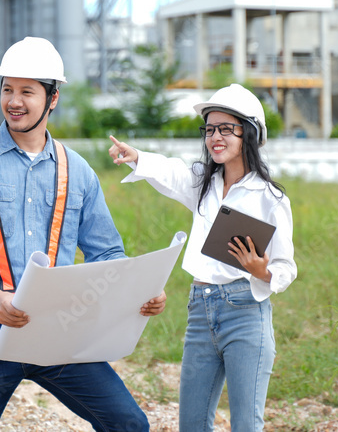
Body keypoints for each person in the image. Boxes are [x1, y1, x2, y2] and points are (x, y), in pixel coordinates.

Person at [0, 36, 166, 432]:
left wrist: (139, 290)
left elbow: (106, 250)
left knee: (128, 424)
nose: (14, 101)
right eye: (8, 89)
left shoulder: (77, 170)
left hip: (58, 325)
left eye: (27, 91)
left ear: (52, 98)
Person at [108, 83, 297, 432]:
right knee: (192, 424)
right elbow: (171, 171)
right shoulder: (203, 183)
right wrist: (137, 157)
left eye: (227, 129)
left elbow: (286, 267)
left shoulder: (270, 197)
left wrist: (263, 270)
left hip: (246, 313)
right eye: (210, 129)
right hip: (200, 310)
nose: (215, 137)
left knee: (246, 424)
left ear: (249, 134)